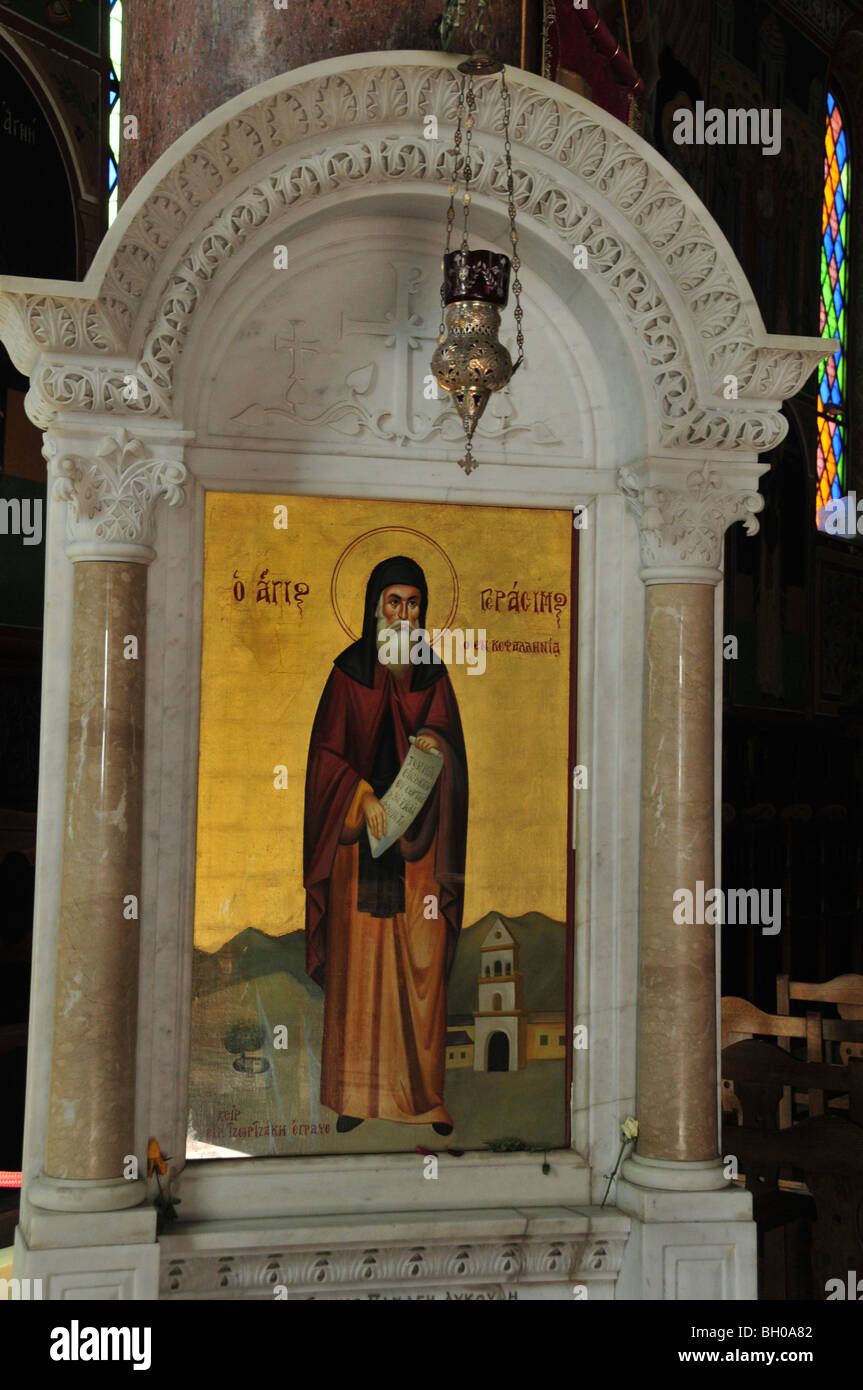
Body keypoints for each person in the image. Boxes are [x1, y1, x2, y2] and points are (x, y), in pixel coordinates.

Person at [303, 556, 468, 1135]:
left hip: (420, 852)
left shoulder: (433, 676)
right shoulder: (348, 672)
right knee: (361, 972)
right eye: (394, 602)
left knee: (421, 968)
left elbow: (452, 750)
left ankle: (424, 1098)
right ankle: (355, 1094)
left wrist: (434, 746)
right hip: (359, 842)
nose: (403, 613)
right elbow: (325, 755)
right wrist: (360, 794)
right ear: (376, 607)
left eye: (413, 603)